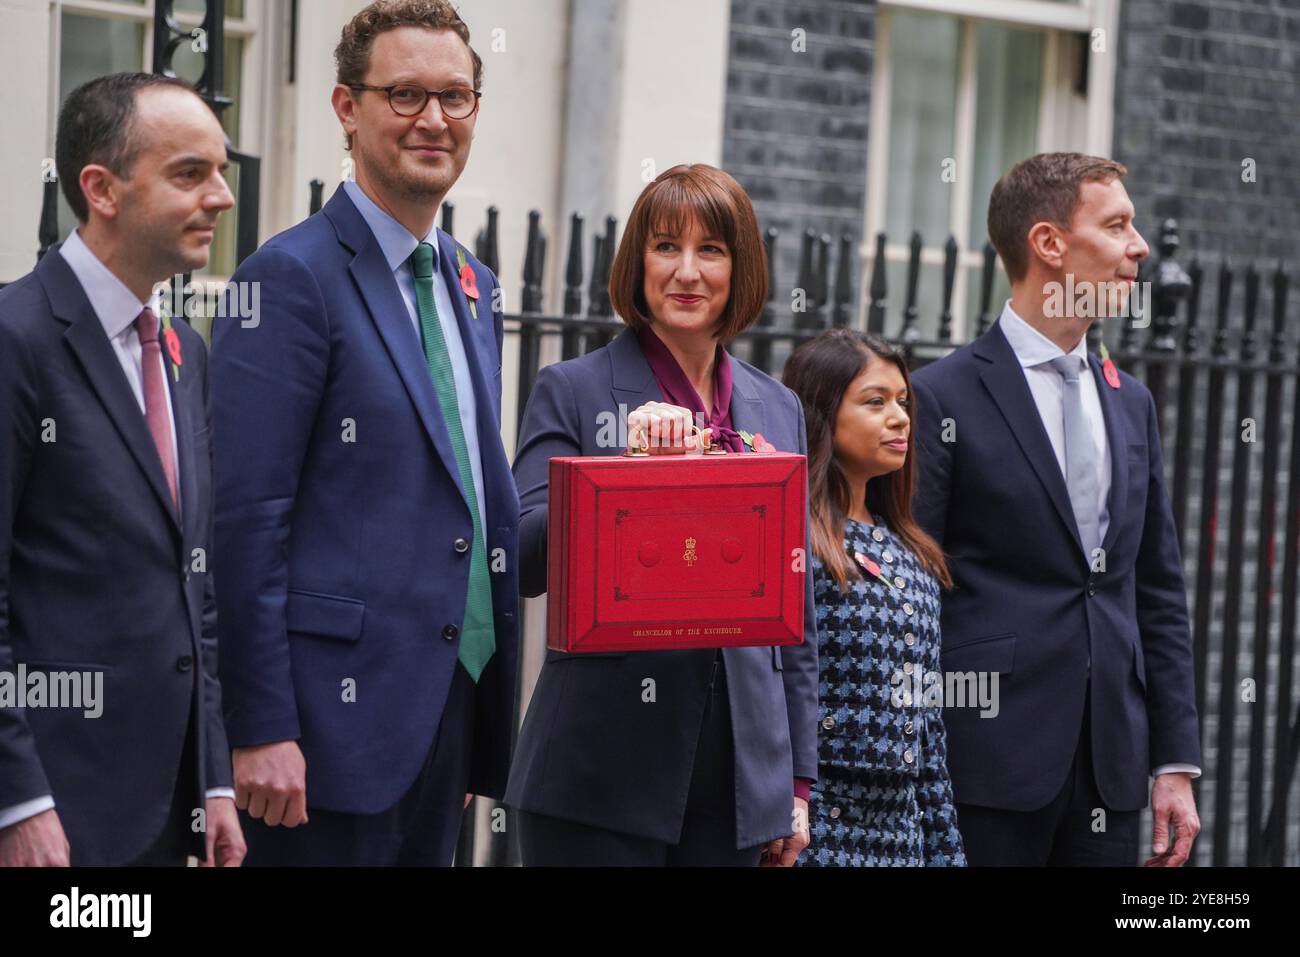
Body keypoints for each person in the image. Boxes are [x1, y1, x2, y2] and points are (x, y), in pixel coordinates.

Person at [210, 0, 518, 866]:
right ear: (347, 108)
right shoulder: (287, 276)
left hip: (441, 723)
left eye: (455, 97)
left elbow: (462, 491)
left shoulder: (471, 284)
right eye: (405, 95)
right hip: (318, 743)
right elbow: (243, 521)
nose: (434, 120)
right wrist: (259, 726)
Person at [505, 163, 817, 866]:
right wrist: (625, 472)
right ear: (636, 261)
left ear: (741, 268)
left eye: (711, 249)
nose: (686, 271)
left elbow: (794, 611)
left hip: (739, 784)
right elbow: (521, 557)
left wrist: (795, 780)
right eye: (665, 245)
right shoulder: (573, 389)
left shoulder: (778, 407)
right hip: (596, 775)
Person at [911, 152, 1202, 866]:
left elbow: (1156, 591)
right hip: (982, 765)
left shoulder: (1132, 402)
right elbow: (914, 593)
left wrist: (1174, 760)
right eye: (1117, 225)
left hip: (1111, 769)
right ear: (1049, 244)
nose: (1138, 247)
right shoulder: (939, 396)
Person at [0, 73, 243, 866]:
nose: (222, 196)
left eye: (222, 171)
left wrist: (212, 781)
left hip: (170, 811)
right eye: (189, 173)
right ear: (100, 189)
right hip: (55, 816)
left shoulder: (185, 355)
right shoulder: (16, 339)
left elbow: (192, 587)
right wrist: (19, 799)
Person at [784, 329, 965, 866]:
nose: (900, 417)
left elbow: (929, 734)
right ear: (821, 414)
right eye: (875, 402)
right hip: (813, 830)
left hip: (902, 836)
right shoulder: (791, 539)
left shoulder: (914, 551)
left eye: (903, 402)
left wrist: (943, 850)